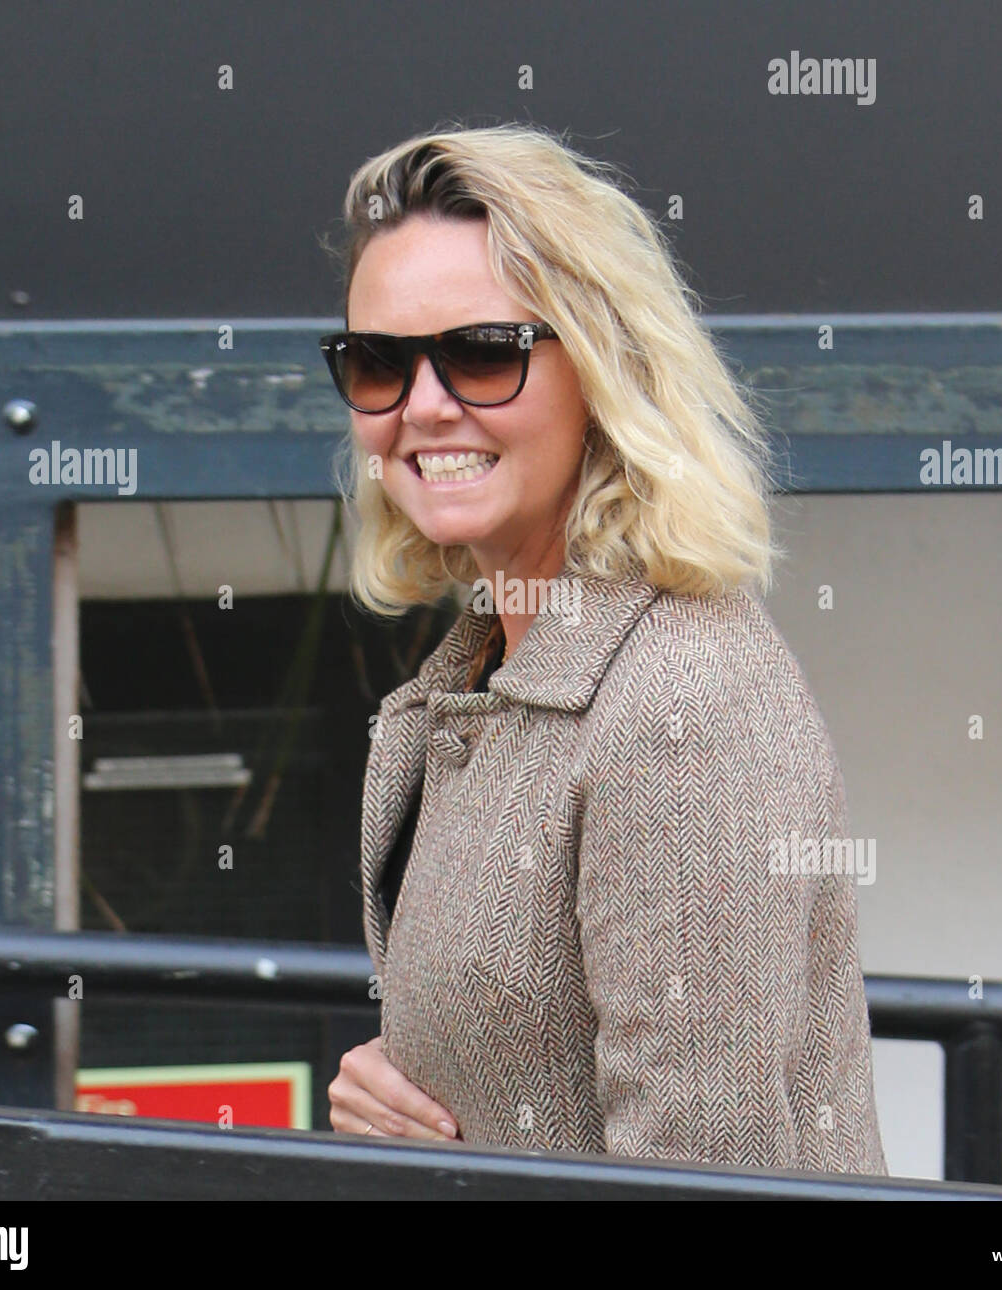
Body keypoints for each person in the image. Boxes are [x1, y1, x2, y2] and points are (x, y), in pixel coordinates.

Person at [322, 122, 887, 1174]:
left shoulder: (681, 701)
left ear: (602, 365)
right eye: (377, 363)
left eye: (482, 353)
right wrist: (398, 1110)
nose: (424, 407)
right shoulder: (491, 662)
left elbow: (703, 1182)